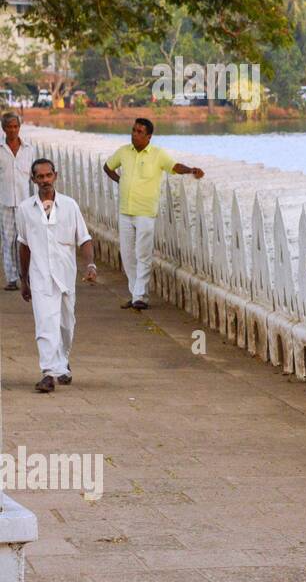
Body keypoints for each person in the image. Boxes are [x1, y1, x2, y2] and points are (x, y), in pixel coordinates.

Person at [102, 118, 204, 310]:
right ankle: (135, 295)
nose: (135, 134)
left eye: (140, 132)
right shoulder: (124, 151)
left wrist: (191, 170)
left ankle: (141, 296)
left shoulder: (158, 154)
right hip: (125, 211)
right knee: (127, 255)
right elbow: (107, 167)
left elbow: (174, 166)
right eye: (133, 130)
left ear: (149, 136)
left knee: (143, 254)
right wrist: (121, 181)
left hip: (145, 212)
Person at [17, 158, 96, 392]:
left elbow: (84, 239)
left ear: (56, 176)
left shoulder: (70, 206)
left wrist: (90, 265)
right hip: (40, 276)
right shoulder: (25, 209)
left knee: (65, 324)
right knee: (45, 324)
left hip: (65, 276)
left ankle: (62, 363)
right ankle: (49, 373)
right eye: (39, 177)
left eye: (48, 176)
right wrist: (24, 279)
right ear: (33, 180)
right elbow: (23, 244)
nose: (44, 181)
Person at [0, 111, 36, 290]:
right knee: (8, 239)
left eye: (16, 126)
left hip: (25, 203)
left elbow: (33, 178)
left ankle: (26, 275)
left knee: (26, 239)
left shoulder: (29, 149)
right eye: (9, 127)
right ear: (3, 128)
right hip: (4, 202)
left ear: (19, 127)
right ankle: (12, 278)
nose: (13, 130)